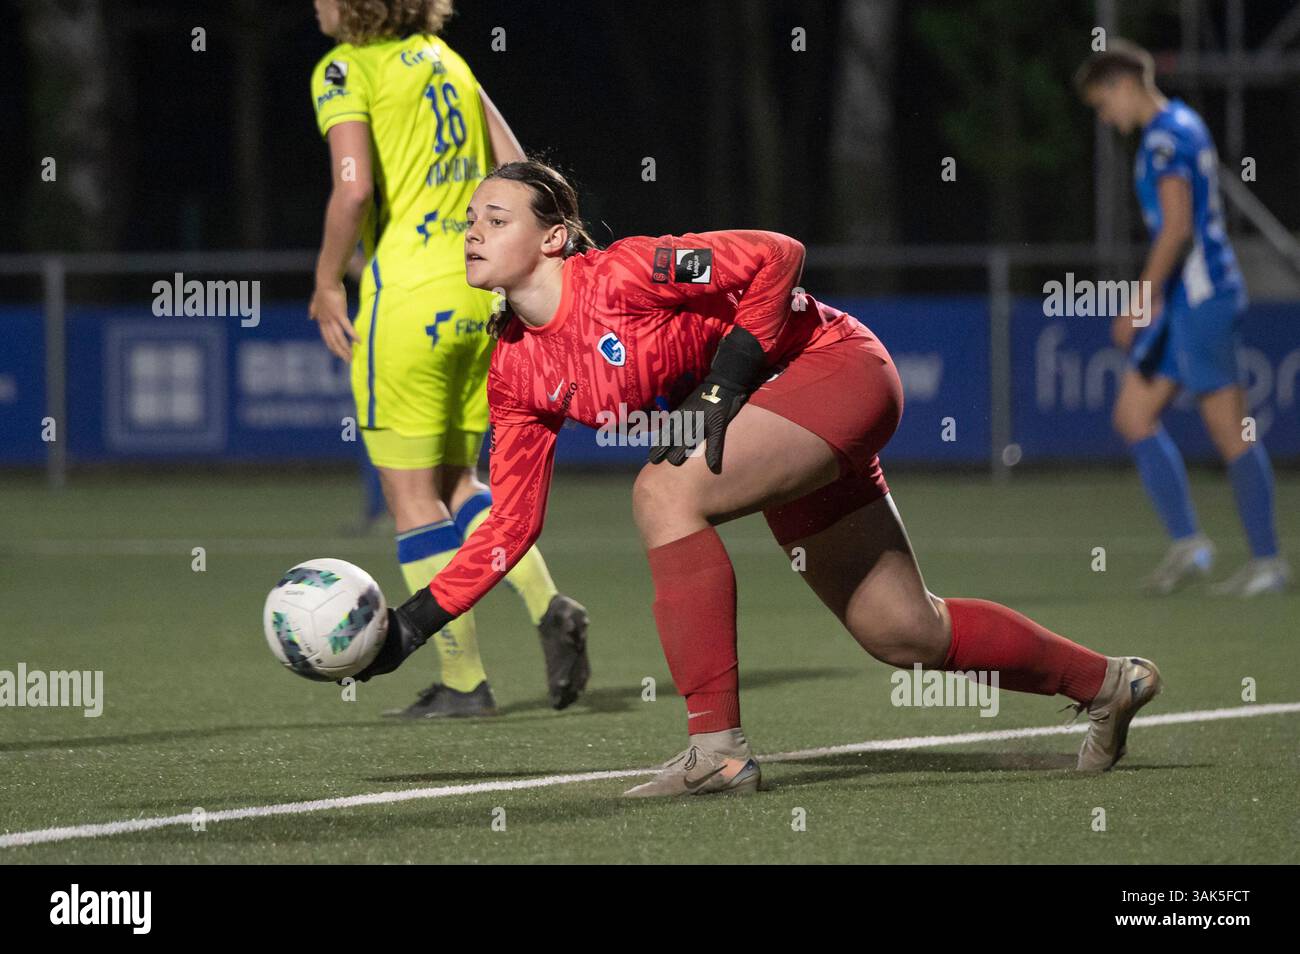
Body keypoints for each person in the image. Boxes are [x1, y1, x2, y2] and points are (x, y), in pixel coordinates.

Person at [356, 159, 1163, 796]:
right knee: (903, 631)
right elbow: (509, 527)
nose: (472, 232)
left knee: (663, 491)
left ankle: (718, 751)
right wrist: (407, 629)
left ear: (557, 237)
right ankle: (1107, 682)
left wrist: (724, 380)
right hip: (773, 414)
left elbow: (777, 256)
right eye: (470, 221)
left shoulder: (625, 273)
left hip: (833, 367)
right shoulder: (515, 369)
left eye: (496, 219)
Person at [308, 1, 589, 716]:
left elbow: (354, 186)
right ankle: (546, 601)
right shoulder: (450, 61)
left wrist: (324, 279)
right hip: (477, 292)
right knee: (458, 481)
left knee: (411, 500)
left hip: (406, 298)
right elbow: (517, 166)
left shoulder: (345, 67)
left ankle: (465, 682)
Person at [1076, 39, 1288, 597]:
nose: (1106, 117)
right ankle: (1190, 544)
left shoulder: (1167, 136)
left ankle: (1268, 561)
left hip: (1204, 297)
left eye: (1103, 103)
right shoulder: (1179, 124)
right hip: (1184, 304)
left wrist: (1140, 302)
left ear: (1123, 83)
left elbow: (1178, 228)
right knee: (1133, 414)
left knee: (1229, 429)